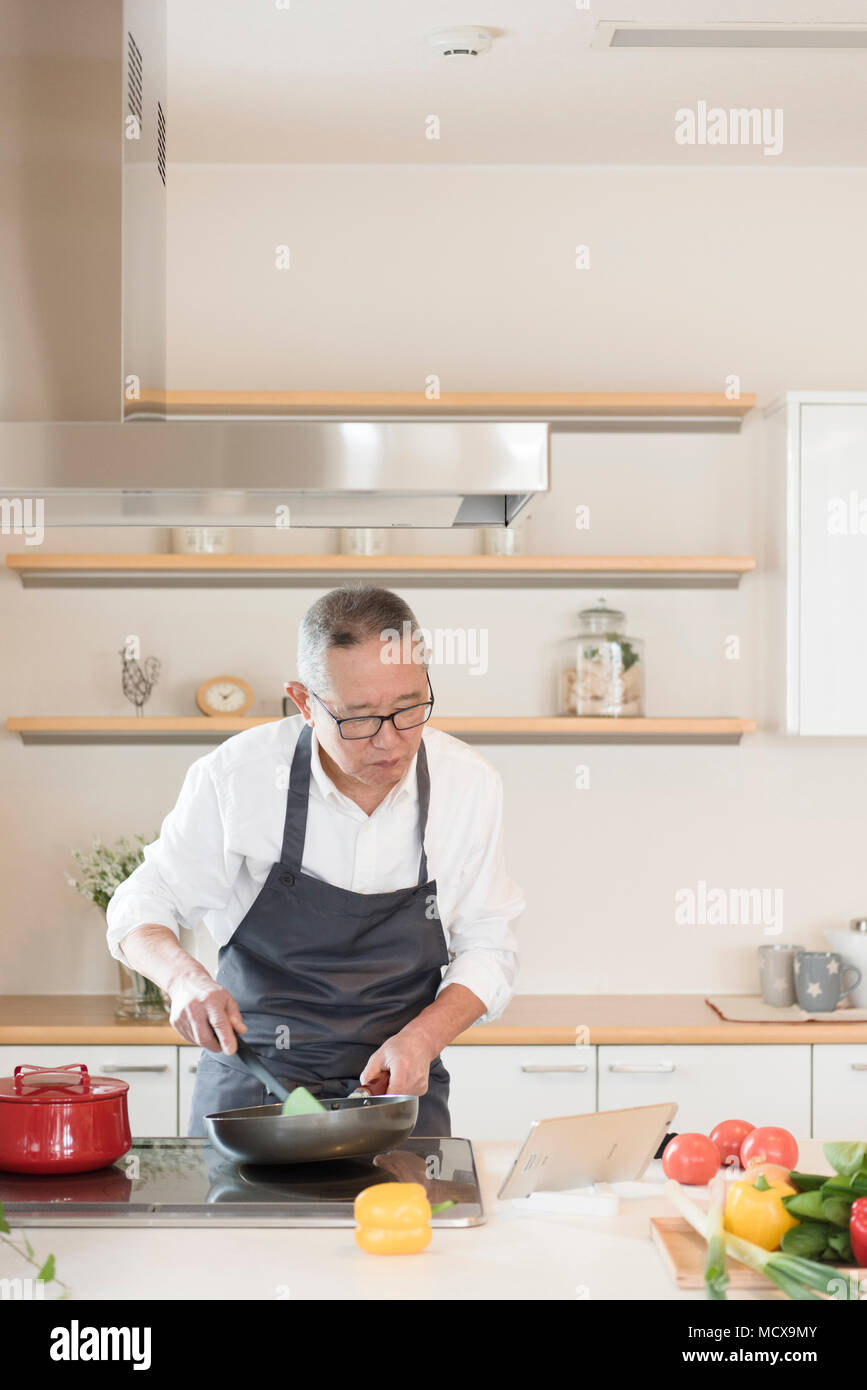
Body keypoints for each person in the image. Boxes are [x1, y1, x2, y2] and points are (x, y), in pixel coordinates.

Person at [106, 586, 524, 1135]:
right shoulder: (238, 776)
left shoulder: (468, 784)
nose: (391, 742)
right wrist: (184, 979)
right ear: (304, 702)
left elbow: (488, 946)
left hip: (397, 1090)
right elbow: (142, 903)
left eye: (409, 709)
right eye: (359, 718)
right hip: (253, 1089)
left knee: (407, 1222)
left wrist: (423, 1038)